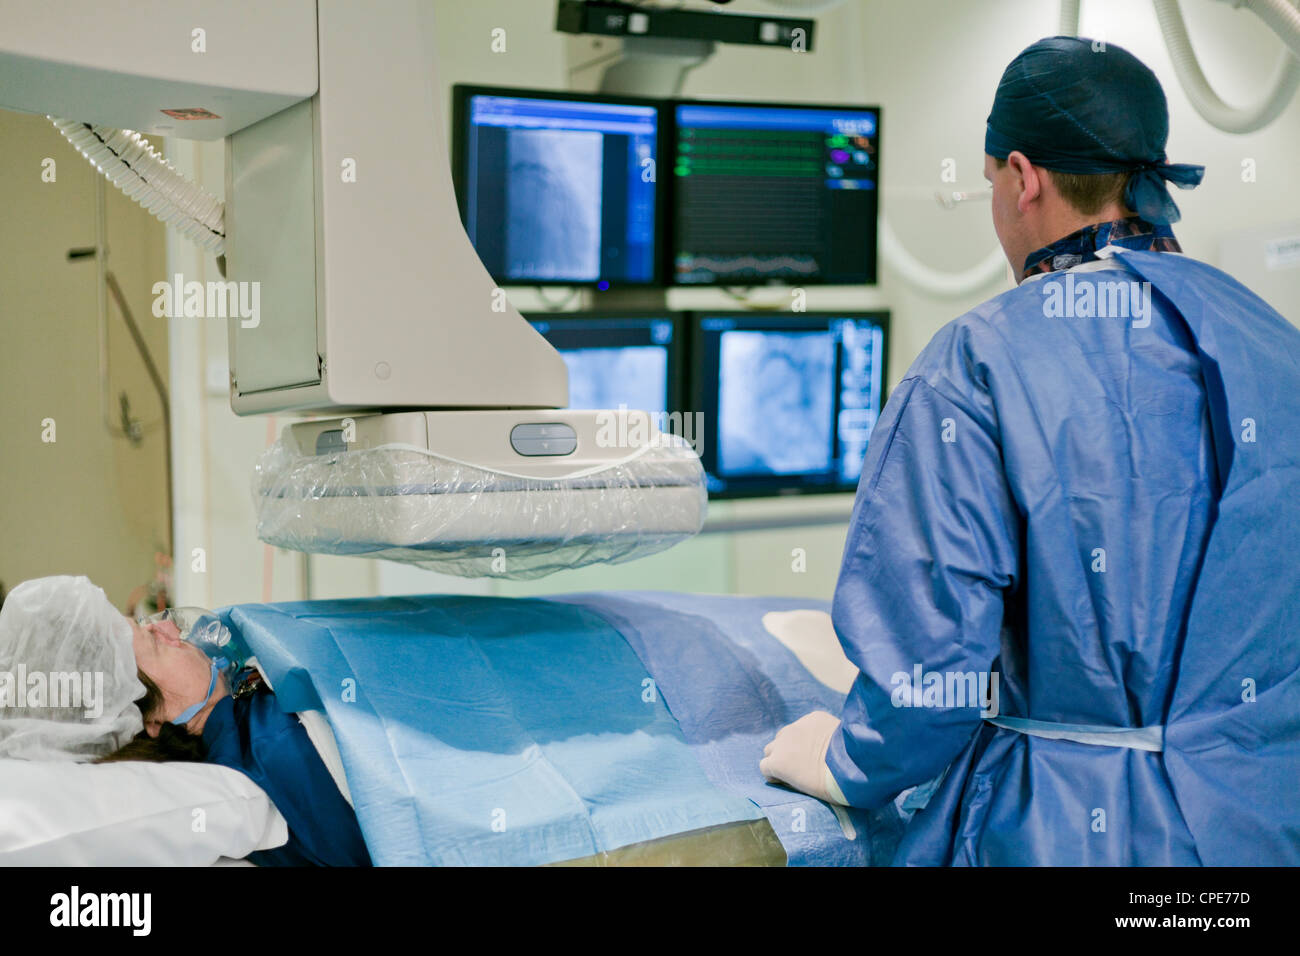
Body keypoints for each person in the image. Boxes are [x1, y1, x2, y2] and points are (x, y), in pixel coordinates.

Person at [760, 36, 1300, 865]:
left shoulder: (979, 361)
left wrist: (843, 761)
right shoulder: (1274, 345)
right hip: (1261, 827)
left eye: (989, 185)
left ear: (1023, 178)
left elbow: (929, 676)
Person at [0, 575, 371, 866]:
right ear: (152, 722)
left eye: (149, 623)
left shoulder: (248, 719)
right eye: (155, 643)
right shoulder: (274, 749)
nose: (170, 628)